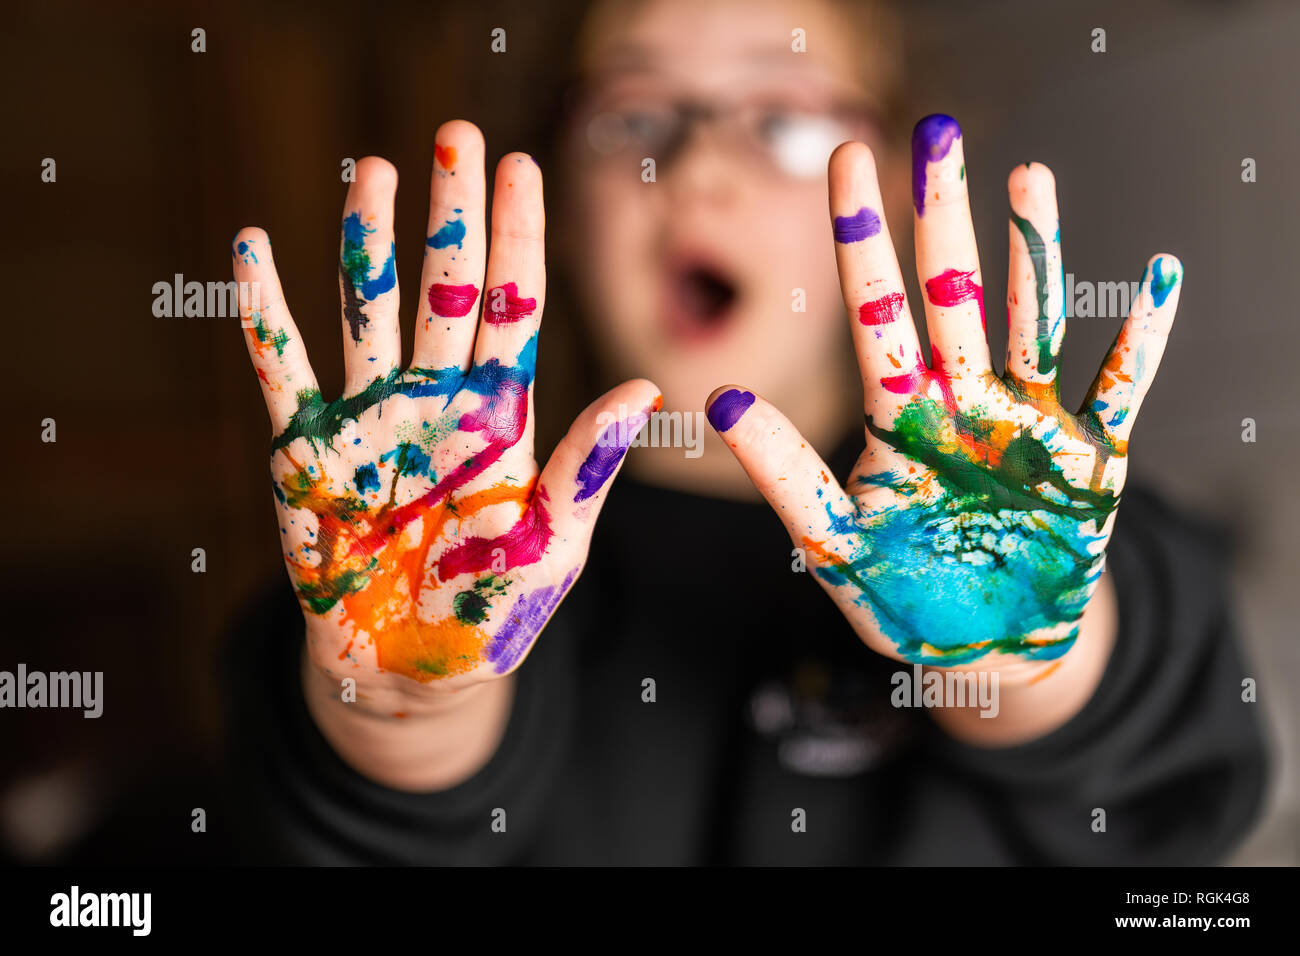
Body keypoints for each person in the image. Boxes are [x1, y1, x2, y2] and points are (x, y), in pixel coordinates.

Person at [225, 0, 1266, 864]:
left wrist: (1014, 653)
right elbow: (368, 817)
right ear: (563, 198)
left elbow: (1159, 779)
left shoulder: (1072, 535)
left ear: (907, 197)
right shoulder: (432, 561)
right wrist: (409, 694)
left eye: (783, 121)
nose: (695, 169)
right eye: (633, 120)